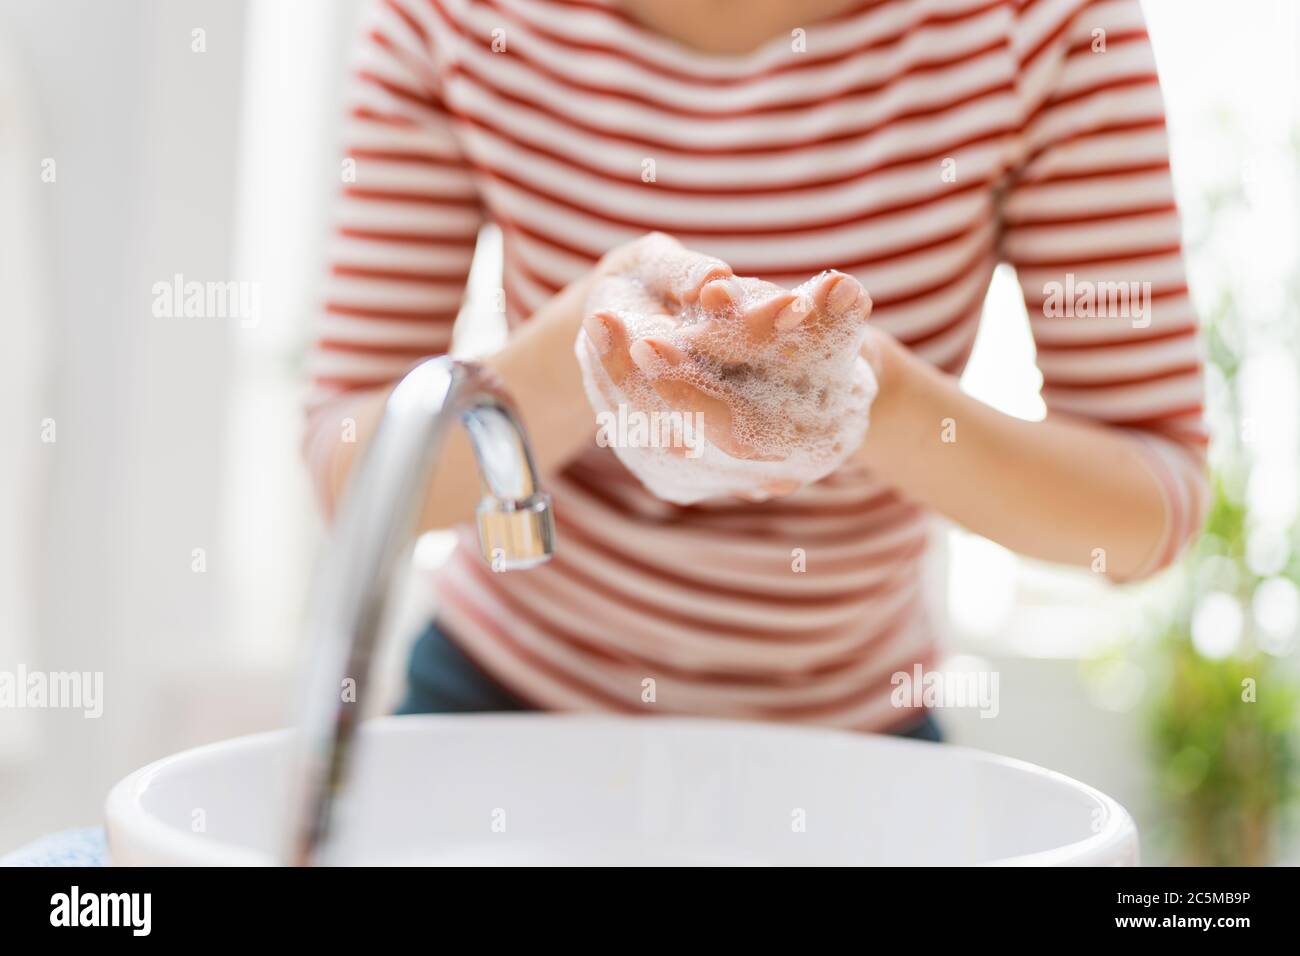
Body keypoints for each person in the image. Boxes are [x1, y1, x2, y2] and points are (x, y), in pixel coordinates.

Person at [303, 0, 1207, 738]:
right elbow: (353, 476)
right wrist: (587, 346)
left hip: (856, 749)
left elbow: (1148, 505)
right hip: (499, 708)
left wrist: (871, 401)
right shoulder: (452, 18)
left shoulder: (1043, 25)